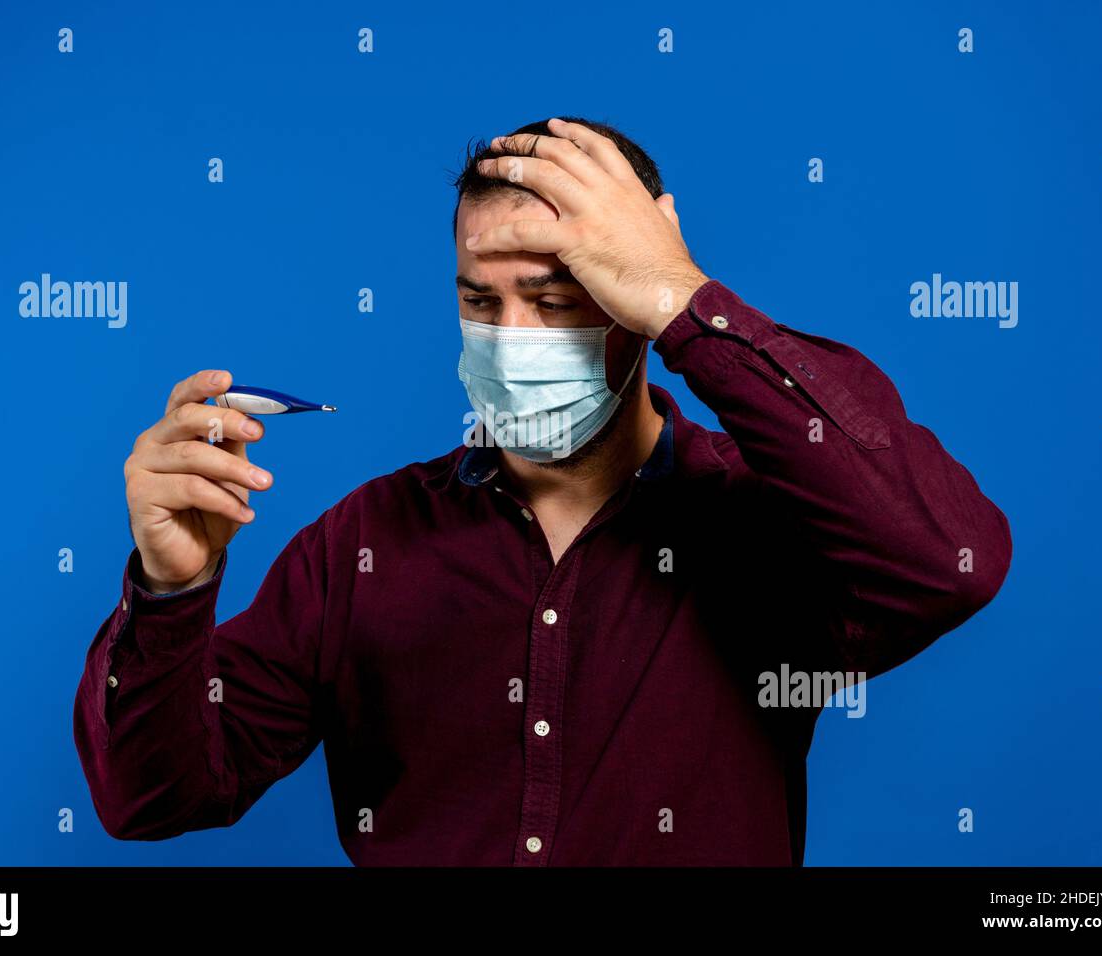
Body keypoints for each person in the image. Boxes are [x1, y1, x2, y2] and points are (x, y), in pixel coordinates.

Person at [74, 116, 1011, 866]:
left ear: (633, 293)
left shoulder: (761, 525)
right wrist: (171, 592)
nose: (512, 338)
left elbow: (946, 563)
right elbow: (156, 800)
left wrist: (691, 303)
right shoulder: (362, 545)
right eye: (481, 302)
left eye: (555, 300)